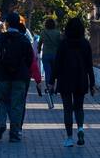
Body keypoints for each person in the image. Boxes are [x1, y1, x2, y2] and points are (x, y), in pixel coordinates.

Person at [0, 12, 34, 142]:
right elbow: (30, 59)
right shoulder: (24, 40)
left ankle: (2, 123)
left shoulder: (0, 38)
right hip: (19, 77)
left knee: (2, 101)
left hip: (3, 76)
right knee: (17, 105)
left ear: (7, 23)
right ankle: (14, 133)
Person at [53, 17, 95, 148]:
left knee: (67, 109)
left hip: (65, 79)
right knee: (79, 107)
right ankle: (81, 129)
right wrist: (92, 83)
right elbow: (90, 65)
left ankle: (69, 137)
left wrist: (51, 81)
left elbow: (57, 63)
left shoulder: (64, 43)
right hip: (81, 79)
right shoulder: (85, 43)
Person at [39, 17, 62, 94]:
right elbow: (60, 43)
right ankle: (57, 88)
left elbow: (40, 43)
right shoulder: (57, 33)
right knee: (56, 72)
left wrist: (39, 51)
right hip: (55, 55)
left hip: (46, 55)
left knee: (48, 72)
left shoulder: (43, 32)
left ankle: (49, 88)